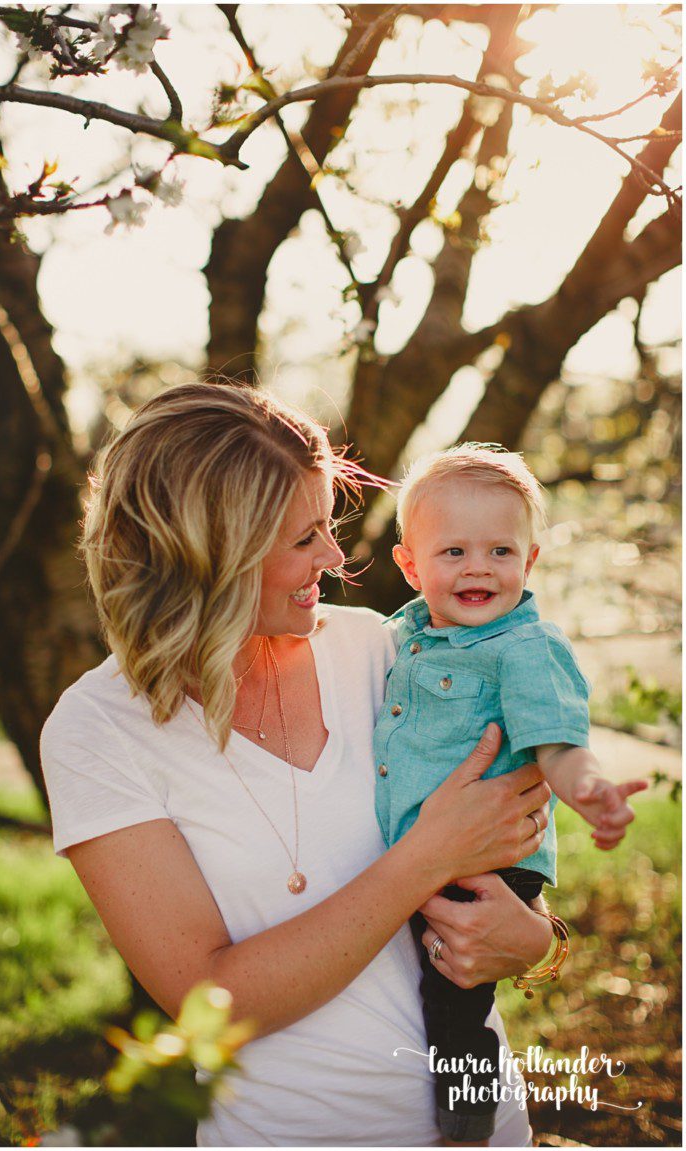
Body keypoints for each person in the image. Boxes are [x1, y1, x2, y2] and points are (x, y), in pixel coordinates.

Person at [40, 382, 560, 1145]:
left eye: (329, 525)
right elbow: (208, 1001)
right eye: (303, 538)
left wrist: (541, 944)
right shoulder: (98, 730)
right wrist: (425, 857)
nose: (335, 556)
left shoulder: (391, 655)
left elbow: (512, 839)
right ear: (209, 554)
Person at [379, 444, 643, 1142]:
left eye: (500, 550)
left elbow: (557, 739)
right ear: (410, 565)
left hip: (489, 859)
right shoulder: (402, 637)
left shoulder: (524, 647)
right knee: (422, 980)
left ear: (528, 562)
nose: (478, 568)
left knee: (453, 1002)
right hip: (430, 852)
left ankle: (466, 1123)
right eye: (454, 551)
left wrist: (590, 791)